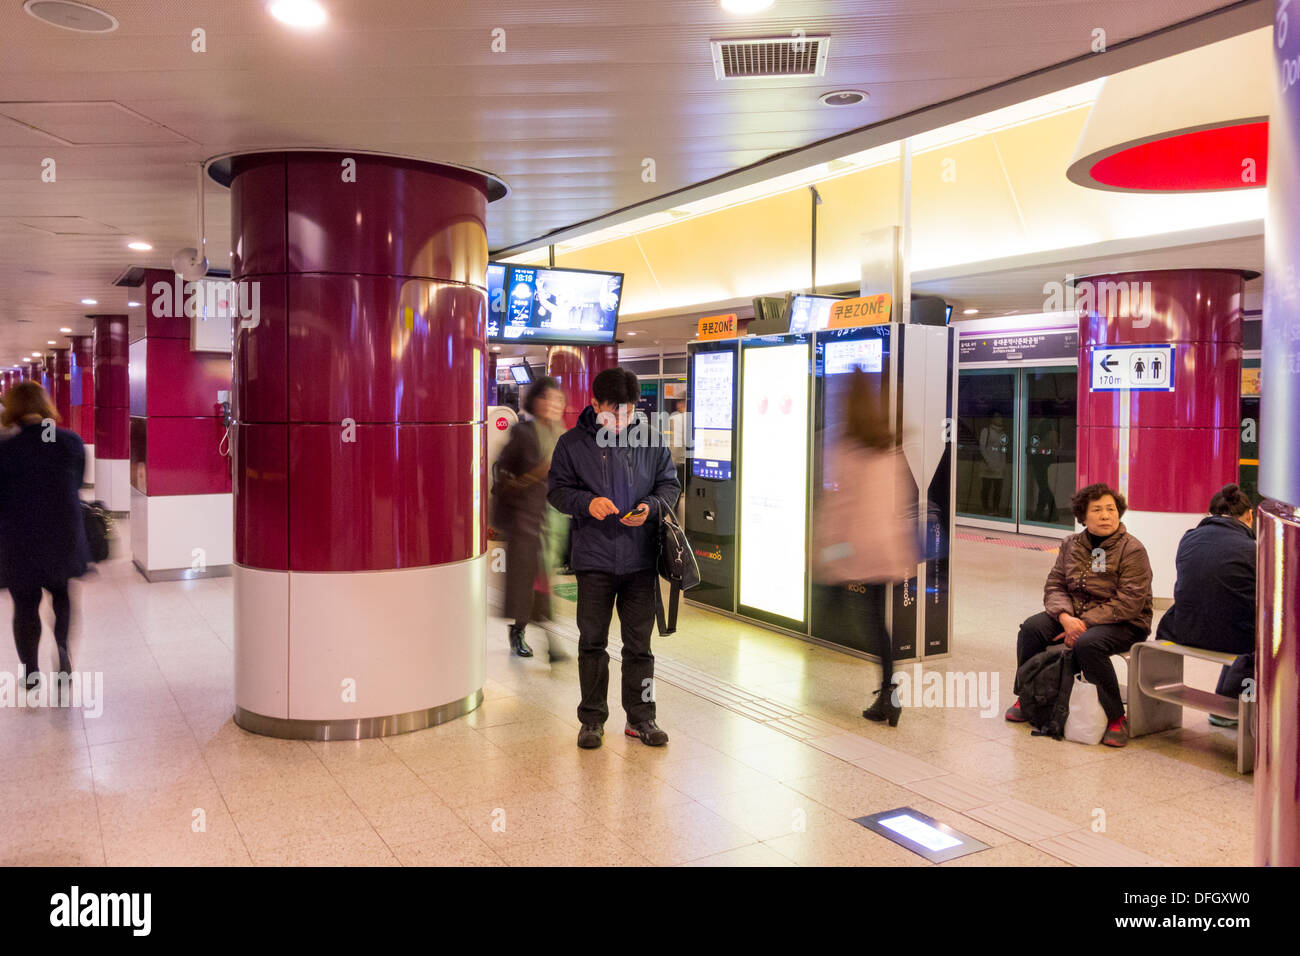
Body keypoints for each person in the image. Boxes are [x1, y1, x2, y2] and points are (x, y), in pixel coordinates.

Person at [547, 367, 679, 749]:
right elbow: (557, 491)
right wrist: (588, 503)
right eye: (612, 412)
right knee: (592, 643)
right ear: (594, 405)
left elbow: (669, 484)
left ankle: (642, 718)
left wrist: (651, 507)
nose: (619, 421)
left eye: (627, 413)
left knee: (640, 646)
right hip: (594, 560)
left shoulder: (651, 441)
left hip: (640, 561)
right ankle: (592, 719)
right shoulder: (571, 444)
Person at [1005, 483, 1152, 747]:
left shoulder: (1132, 549)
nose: (1106, 515)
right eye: (1097, 510)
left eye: (1111, 509)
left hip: (1125, 622)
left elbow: (1129, 601)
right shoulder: (1071, 544)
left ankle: (1116, 716)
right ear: (1083, 516)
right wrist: (1064, 617)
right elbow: (1055, 585)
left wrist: (1082, 623)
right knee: (1031, 628)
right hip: (1073, 615)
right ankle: (1027, 696)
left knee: (1088, 644)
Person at [812, 370, 918, 726]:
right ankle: (888, 694)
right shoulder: (890, 447)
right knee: (876, 621)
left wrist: (826, 550)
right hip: (886, 549)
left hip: (854, 548)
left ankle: (886, 695)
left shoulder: (847, 447)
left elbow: (840, 507)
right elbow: (900, 502)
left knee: (840, 606)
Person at [0, 382, 90, 689]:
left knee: (25, 605)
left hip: (18, 541)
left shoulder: (5, 449)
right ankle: (63, 653)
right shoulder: (69, 441)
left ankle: (30, 672)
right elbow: (76, 482)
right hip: (62, 537)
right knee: (62, 595)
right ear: (44, 405)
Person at [1156, 484, 1256, 728]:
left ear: (1210, 512)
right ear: (1250, 515)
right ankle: (1241, 703)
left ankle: (1224, 701)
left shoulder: (1189, 538)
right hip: (1232, 639)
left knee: (1225, 612)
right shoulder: (1253, 549)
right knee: (1264, 640)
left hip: (1182, 631)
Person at [493, 376, 566, 658]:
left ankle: (534, 633)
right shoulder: (523, 432)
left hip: (551, 518)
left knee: (542, 580)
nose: (553, 404)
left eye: (558, 399)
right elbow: (503, 472)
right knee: (529, 580)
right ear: (535, 401)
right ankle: (531, 635)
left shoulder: (561, 434)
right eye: (547, 398)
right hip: (524, 518)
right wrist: (538, 472)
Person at [978, 412, 1008, 515]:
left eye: (1001, 417)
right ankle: (985, 508)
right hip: (988, 466)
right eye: (997, 417)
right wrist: (989, 462)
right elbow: (982, 447)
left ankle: (996, 509)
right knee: (986, 488)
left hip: (999, 466)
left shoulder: (1003, 434)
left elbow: (1004, 449)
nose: (1000, 419)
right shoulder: (986, 431)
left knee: (998, 489)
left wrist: (1003, 464)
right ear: (992, 419)